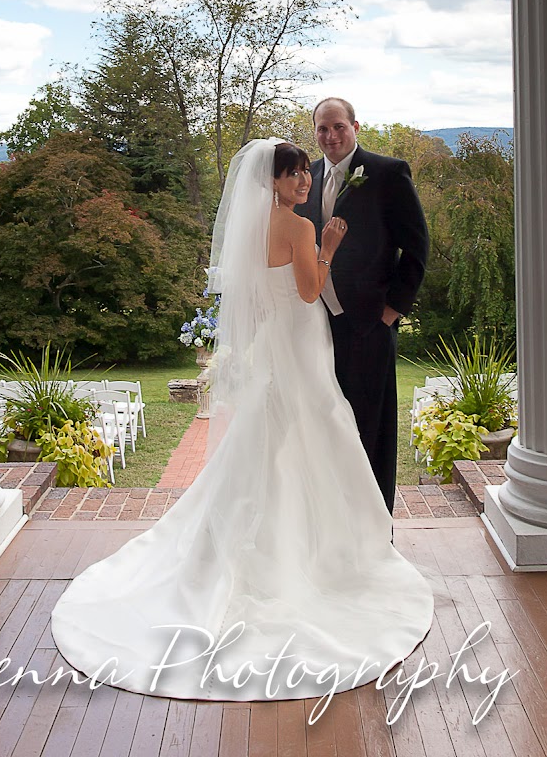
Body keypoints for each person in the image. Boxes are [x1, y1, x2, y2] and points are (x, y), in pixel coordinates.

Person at [51, 138, 433, 701]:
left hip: (274, 348)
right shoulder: (301, 227)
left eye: (306, 172)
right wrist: (326, 246)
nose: (303, 181)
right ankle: (310, 550)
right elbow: (308, 293)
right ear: (272, 180)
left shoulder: (252, 228)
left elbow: (255, 298)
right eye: (293, 174)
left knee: (273, 438)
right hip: (302, 345)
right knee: (313, 431)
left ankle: (252, 535)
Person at [296, 98, 429, 512]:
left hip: (369, 325)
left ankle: (375, 535)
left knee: (371, 431)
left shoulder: (388, 173)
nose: (331, 136)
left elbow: (418, 246)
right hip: (315, 327)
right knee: (324, 429)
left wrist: (391, 312)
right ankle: (333, 529)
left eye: (338, 127)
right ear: (314, 131)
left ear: (355, 126)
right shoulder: (308, 177)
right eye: (322, 129)